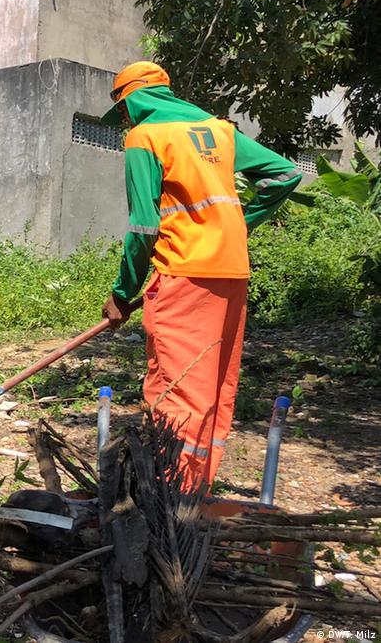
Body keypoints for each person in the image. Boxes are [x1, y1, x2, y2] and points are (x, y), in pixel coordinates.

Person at [99, 61, 301, 492]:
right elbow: (286, 174)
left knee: (177, 389)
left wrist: (121, 293)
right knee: (212, 384)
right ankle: (197, 488)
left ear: (132, 101)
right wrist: (236, 225)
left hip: (184, 276)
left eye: (122, 110)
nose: (124, 119)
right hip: (232, 275)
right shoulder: (219, 131)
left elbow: (143, 226)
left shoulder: (145, 136)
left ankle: (173, 497)